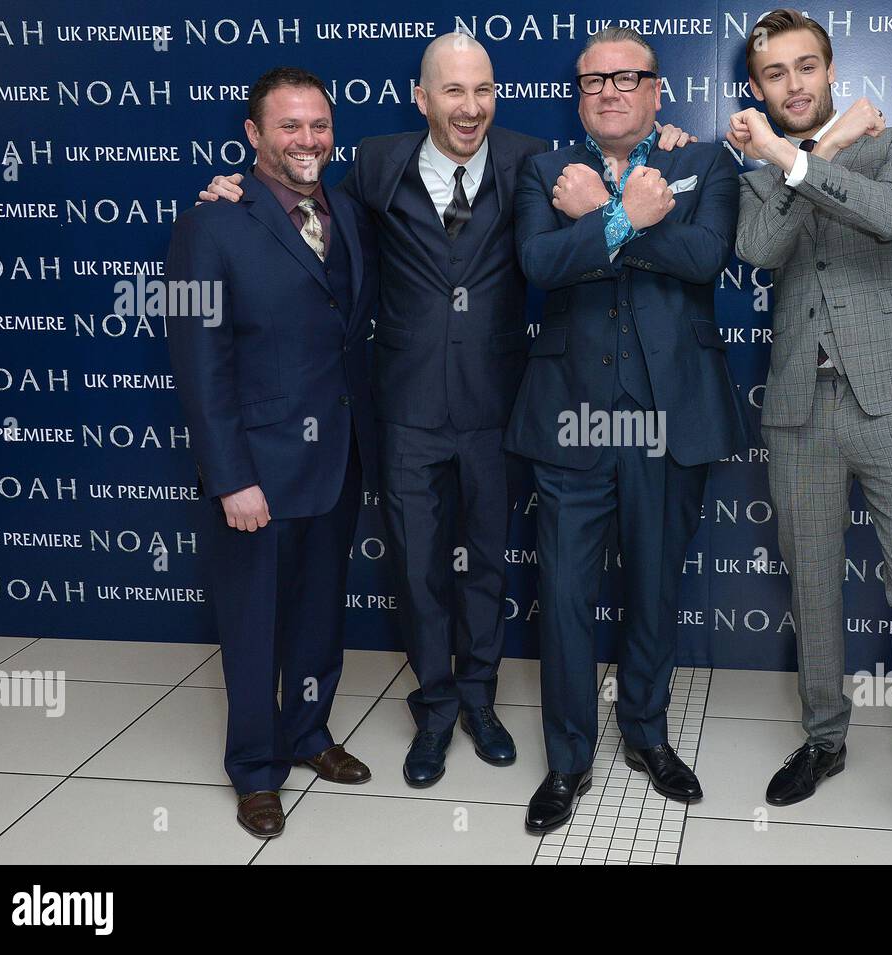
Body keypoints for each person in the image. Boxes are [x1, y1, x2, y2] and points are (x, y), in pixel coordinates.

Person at [198, 37, 695, 789]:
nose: (470, 107)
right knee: (419, 569)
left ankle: (480, 701)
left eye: (483, 90)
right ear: (422, 98)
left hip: (499, 405)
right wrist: (232, 190)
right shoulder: (372, 164)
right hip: (403, 408)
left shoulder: (531, 160)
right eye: (453, 92)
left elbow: (619, 182)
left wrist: (670, 137)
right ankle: (432, 708)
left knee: (486, 564)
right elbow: (296, 199)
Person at [728, 9, 892, 862]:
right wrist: (811, 155)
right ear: (756, 88)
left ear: (830, 69)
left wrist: (796, 158)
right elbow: (760, 247)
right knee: (814, 584)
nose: (792, 85)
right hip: (799, 405)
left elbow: (890, 217)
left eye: (806, 68)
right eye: (775, 75)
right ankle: (826, 737)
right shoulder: (757, 174)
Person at [508, 27, 747, 834]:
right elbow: (542, 265)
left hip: (669, 420)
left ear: (656, 91)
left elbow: (705, 257)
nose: (607, 91)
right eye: (592, 81)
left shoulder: (706, 162)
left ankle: (646, 735)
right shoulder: (545, 170)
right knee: (566, 599)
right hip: (569, 421)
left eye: (626, 78)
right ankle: (568, 758)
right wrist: (628, 219)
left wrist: (605, 218)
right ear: (579, 96)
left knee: (653, 588)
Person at [167, 67, 379, 838]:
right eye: (288, 127)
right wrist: (230, 478)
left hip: (336, 461)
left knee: (320, 618)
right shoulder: (211, 224)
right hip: (255, 472)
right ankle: (256, 767)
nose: (308, 140)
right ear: (253, 136)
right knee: (254, 625)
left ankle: (310, 733)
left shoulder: (346, 210)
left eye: (318, 125)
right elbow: (200, 364)